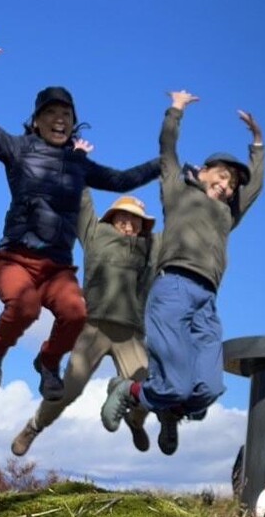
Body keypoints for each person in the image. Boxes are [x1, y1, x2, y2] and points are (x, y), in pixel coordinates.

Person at [0, 32, 160, 398]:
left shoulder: (79, 166)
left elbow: (122, 179)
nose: (59, 119)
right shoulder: (18, 149)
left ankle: (48, 363)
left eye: (65, 114)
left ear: (73, 123)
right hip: (16, 258)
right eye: (51, 113)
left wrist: (163, 163)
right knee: (24, 306)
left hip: (57, 267)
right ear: (36, 121)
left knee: (75, 313)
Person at [99, 91, 264, 455]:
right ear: (203, 171)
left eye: (231, 186)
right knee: (174, 383)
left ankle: (170, 411)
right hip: (173, 287)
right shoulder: (178, 189)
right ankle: (129, 390)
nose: (226, 186)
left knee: (208, 389)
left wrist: (257, 142)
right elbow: (167, 149)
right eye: (222, 177)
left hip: (207, 299)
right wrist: (175, 110)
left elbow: (253, 188)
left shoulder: (227, 214)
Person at [10, 193, 158, 457]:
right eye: (123, 219)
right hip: (94, 327)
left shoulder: (149, 249)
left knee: (147, 388)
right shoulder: (96, 235)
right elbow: (80, 199)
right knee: (69, 389)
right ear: (112, 220)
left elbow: (182, 230)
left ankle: (135, 421)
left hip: (130, 333)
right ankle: (34, 426)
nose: (128, 226)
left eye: (135, 222)